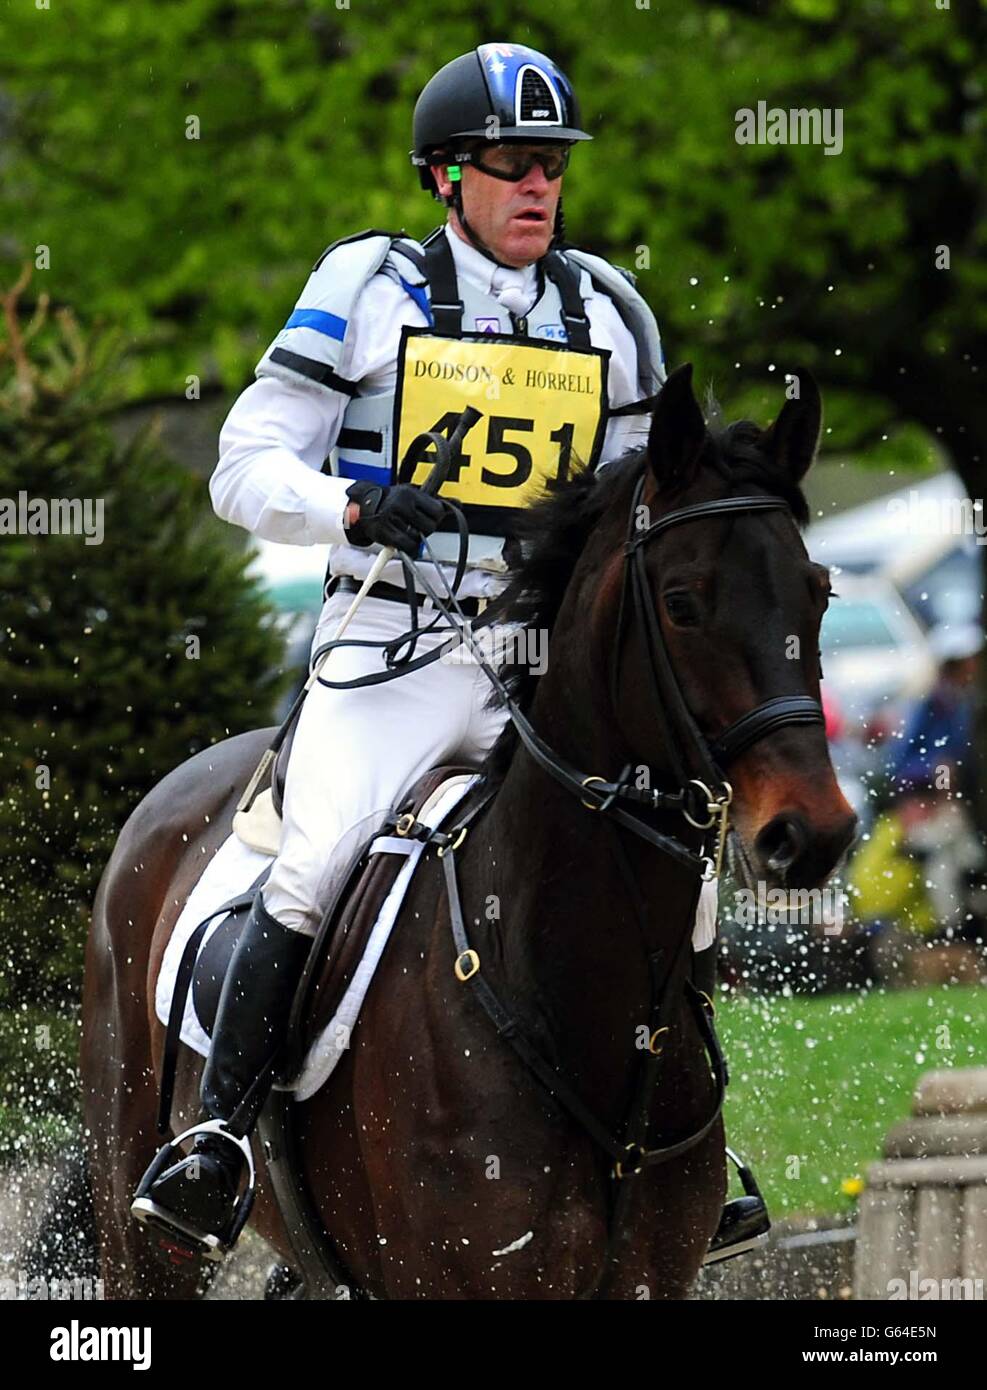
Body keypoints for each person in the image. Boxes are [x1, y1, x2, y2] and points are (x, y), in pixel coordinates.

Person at [138, 42, 755, 1263]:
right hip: (395, 645)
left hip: (541, 661)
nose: (538, 187)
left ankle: (697, 1145)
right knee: (314, 864)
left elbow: (639, 501)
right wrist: (352, 506)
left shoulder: (611, 311)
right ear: (444, 177)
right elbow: (242, 467)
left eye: (553, 167)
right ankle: (217, 1140)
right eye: (511, 165)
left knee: (673, 868)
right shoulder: (366, 287)